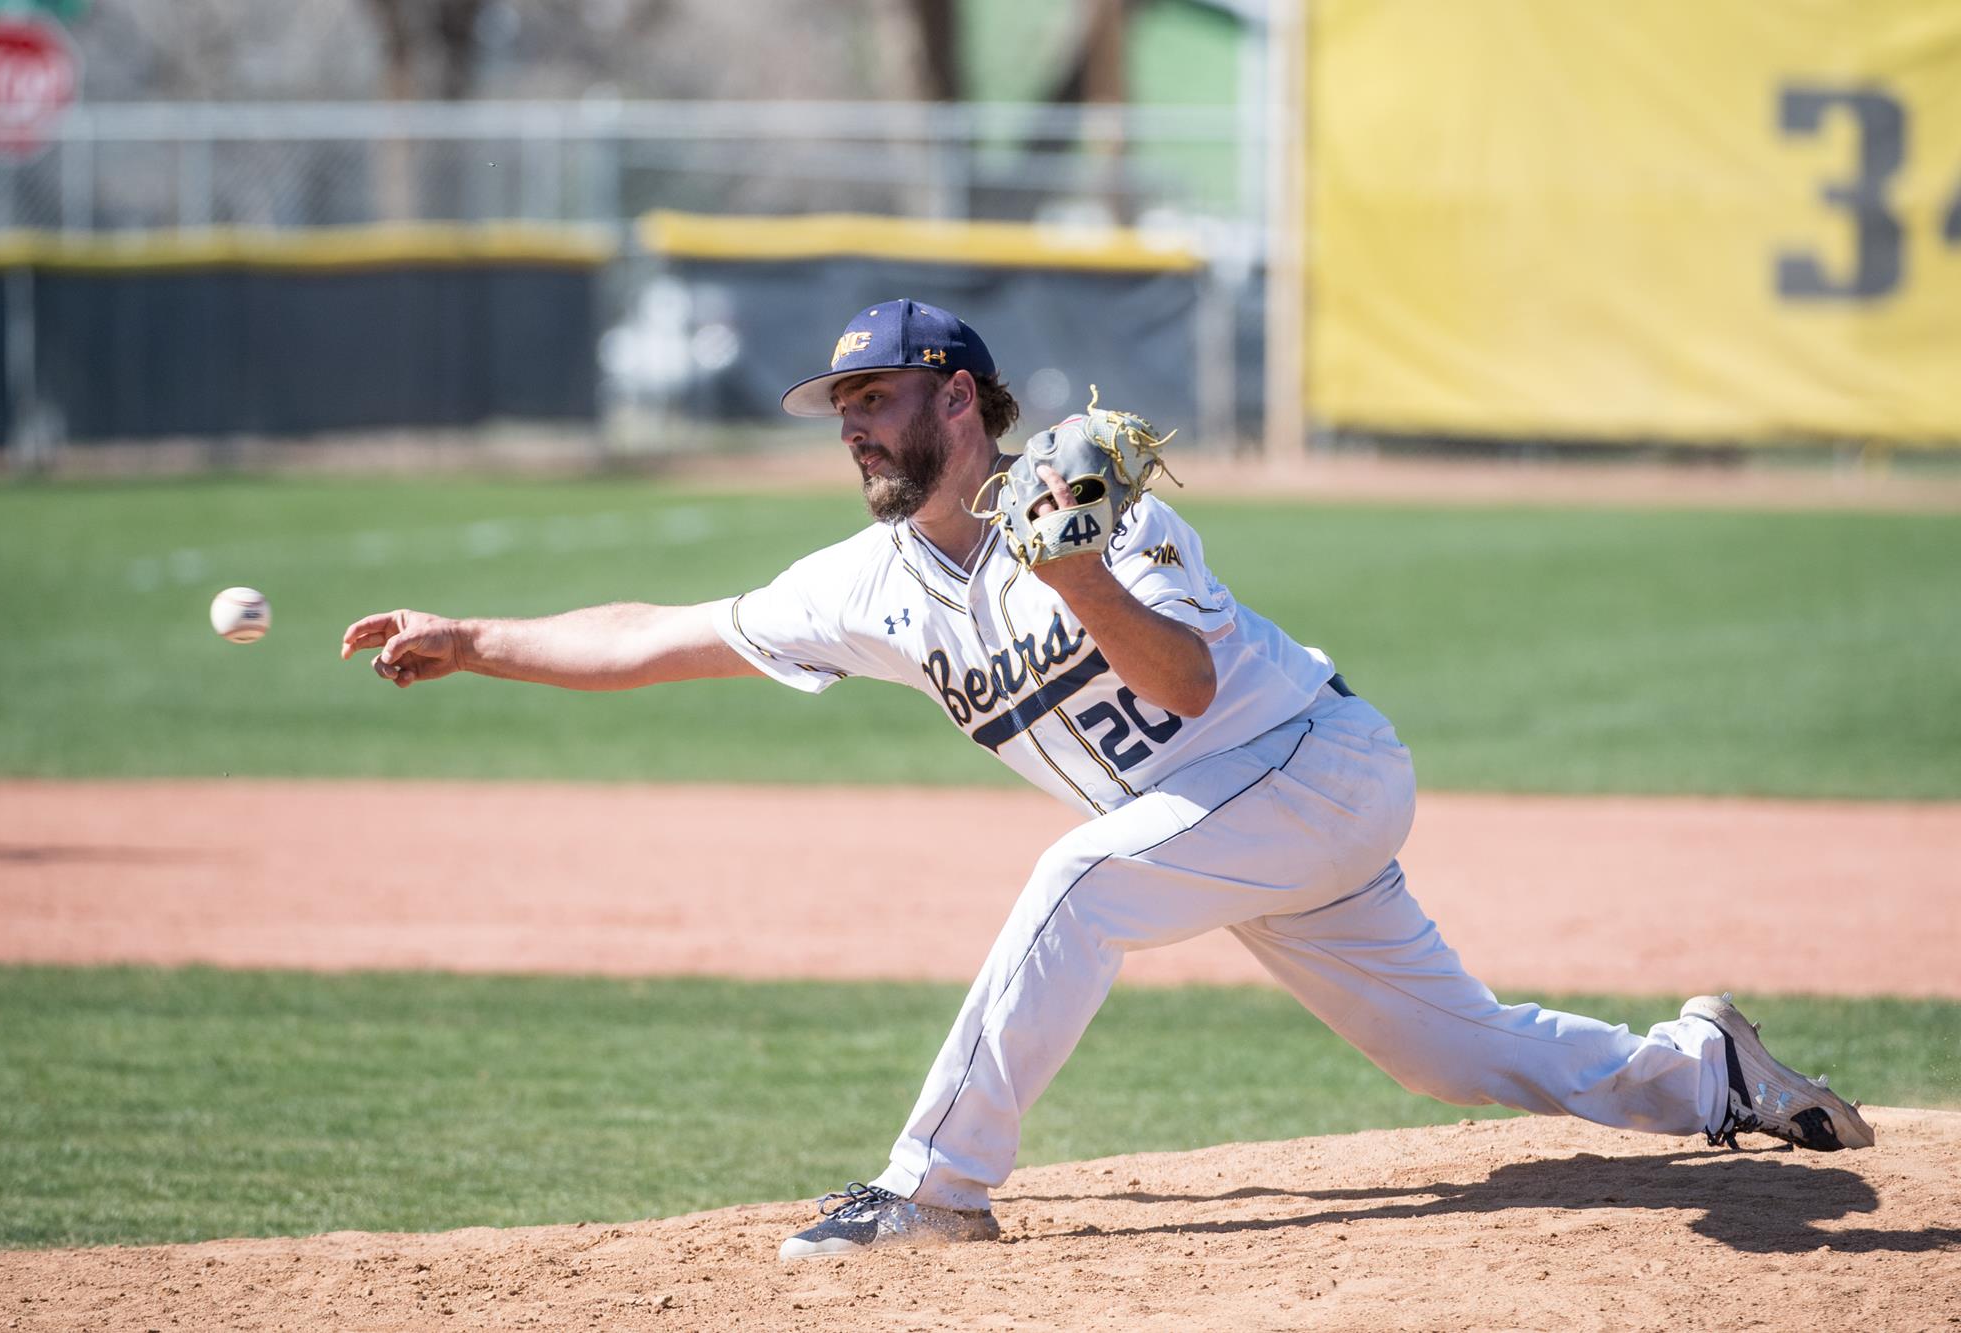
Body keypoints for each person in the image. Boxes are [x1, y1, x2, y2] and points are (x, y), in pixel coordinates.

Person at [340, 298, 1873, 1263]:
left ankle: (933, 1184)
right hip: (1227, 828)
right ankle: (1707, 1071)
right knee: (1452, 1054)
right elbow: (660, 633)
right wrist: (477, 639)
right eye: (843, 407)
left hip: (1307, 764)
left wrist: (1076, 573)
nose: (856, 426)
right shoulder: (868, 580)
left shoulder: (1085, 503)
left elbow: (1191, 682)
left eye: (879, 397)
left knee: (1074, 879)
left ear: (961, 398)